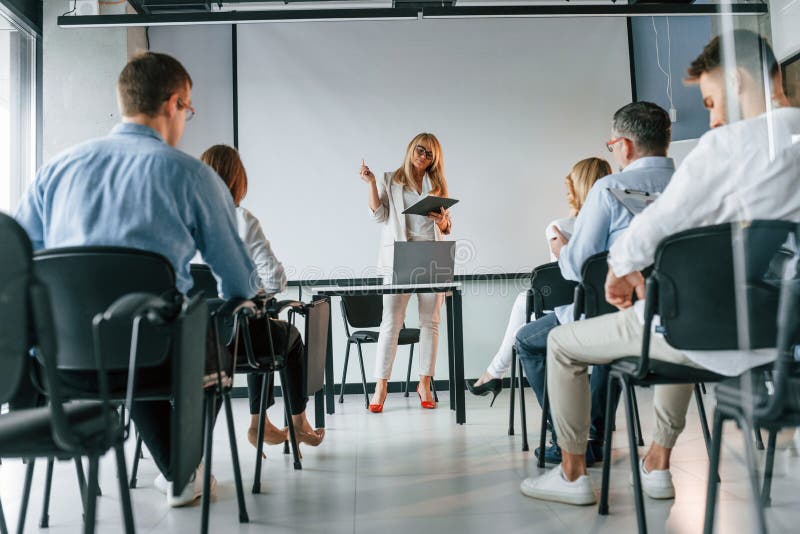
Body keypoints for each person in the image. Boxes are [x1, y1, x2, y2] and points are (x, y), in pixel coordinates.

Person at [520, 30, 799, 506]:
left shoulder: (723, 148)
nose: (712, 119)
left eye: (711, 101)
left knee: (566, 342)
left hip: (698, 334)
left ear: (735, 80)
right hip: (773, 337)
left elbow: (656, 230)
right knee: (684, 317)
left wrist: (620, 269)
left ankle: (571, 477)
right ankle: (657, 463)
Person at [15, 52, 255, 507]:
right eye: (189, 109)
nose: (187, 117)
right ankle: (182, 469)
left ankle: (177, 470)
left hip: (61, 365)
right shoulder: (193, 177)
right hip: (159, 358)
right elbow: (238, 280)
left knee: (128, 335)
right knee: (187, 336)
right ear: (174, 103)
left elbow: (16, 261)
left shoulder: (57, 170)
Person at [514, 102, 675, 466]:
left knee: (529, 340)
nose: (613, 151)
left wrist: (561, 248)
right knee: (603, 337)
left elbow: (577, 268)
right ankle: (598, 436)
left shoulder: (610, 188)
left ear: (627, 145)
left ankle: (571, 440)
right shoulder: (693, 185)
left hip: (623, 320)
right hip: (682, 327)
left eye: (612, 144)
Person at [200, 144, 324, 452]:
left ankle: (260, 423)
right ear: (237, 179)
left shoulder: (184, 222)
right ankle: (297, 423)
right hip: (242, 341)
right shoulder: (242, 220)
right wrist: (253, 294)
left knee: (259, 323)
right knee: (285, 335)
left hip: (197, 342)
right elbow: (275, 279)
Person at [466, 157, 612, 403]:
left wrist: (570, 224)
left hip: (575, 317)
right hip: (612, 315)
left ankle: (555, 421)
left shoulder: (559, 228)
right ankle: (494, 372)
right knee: (526, 300)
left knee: (526, 319)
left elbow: (564, 284)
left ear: (576, 189)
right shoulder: (615, 225)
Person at [360, 133, 452, 412]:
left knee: (430, 322)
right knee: (391, 322)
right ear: (411, 149)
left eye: (429, 154)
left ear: (434, 159)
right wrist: (372, 183)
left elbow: (446, 227)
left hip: (432, 257)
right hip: (399, 257)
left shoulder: (437, 186)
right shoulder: (391, 179)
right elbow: (379, 215)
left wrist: (444, 220)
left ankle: (424, 382)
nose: (423, 156)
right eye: (420, 150)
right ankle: (381, 387)